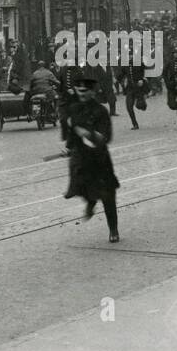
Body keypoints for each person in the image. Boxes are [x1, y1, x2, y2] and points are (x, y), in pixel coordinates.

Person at [63, 72, 120, 243]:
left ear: (93, 92)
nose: (82, 93)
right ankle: (91, 202)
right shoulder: (73, 109)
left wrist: (85, 133)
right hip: (81, 158)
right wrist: (70, 146)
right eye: (79, 91)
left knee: (108, 196)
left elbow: (105, 137)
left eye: (85, 91)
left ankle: (113, 230)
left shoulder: (101, 111)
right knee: (80, 186)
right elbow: (71, 135)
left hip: (99, 159)